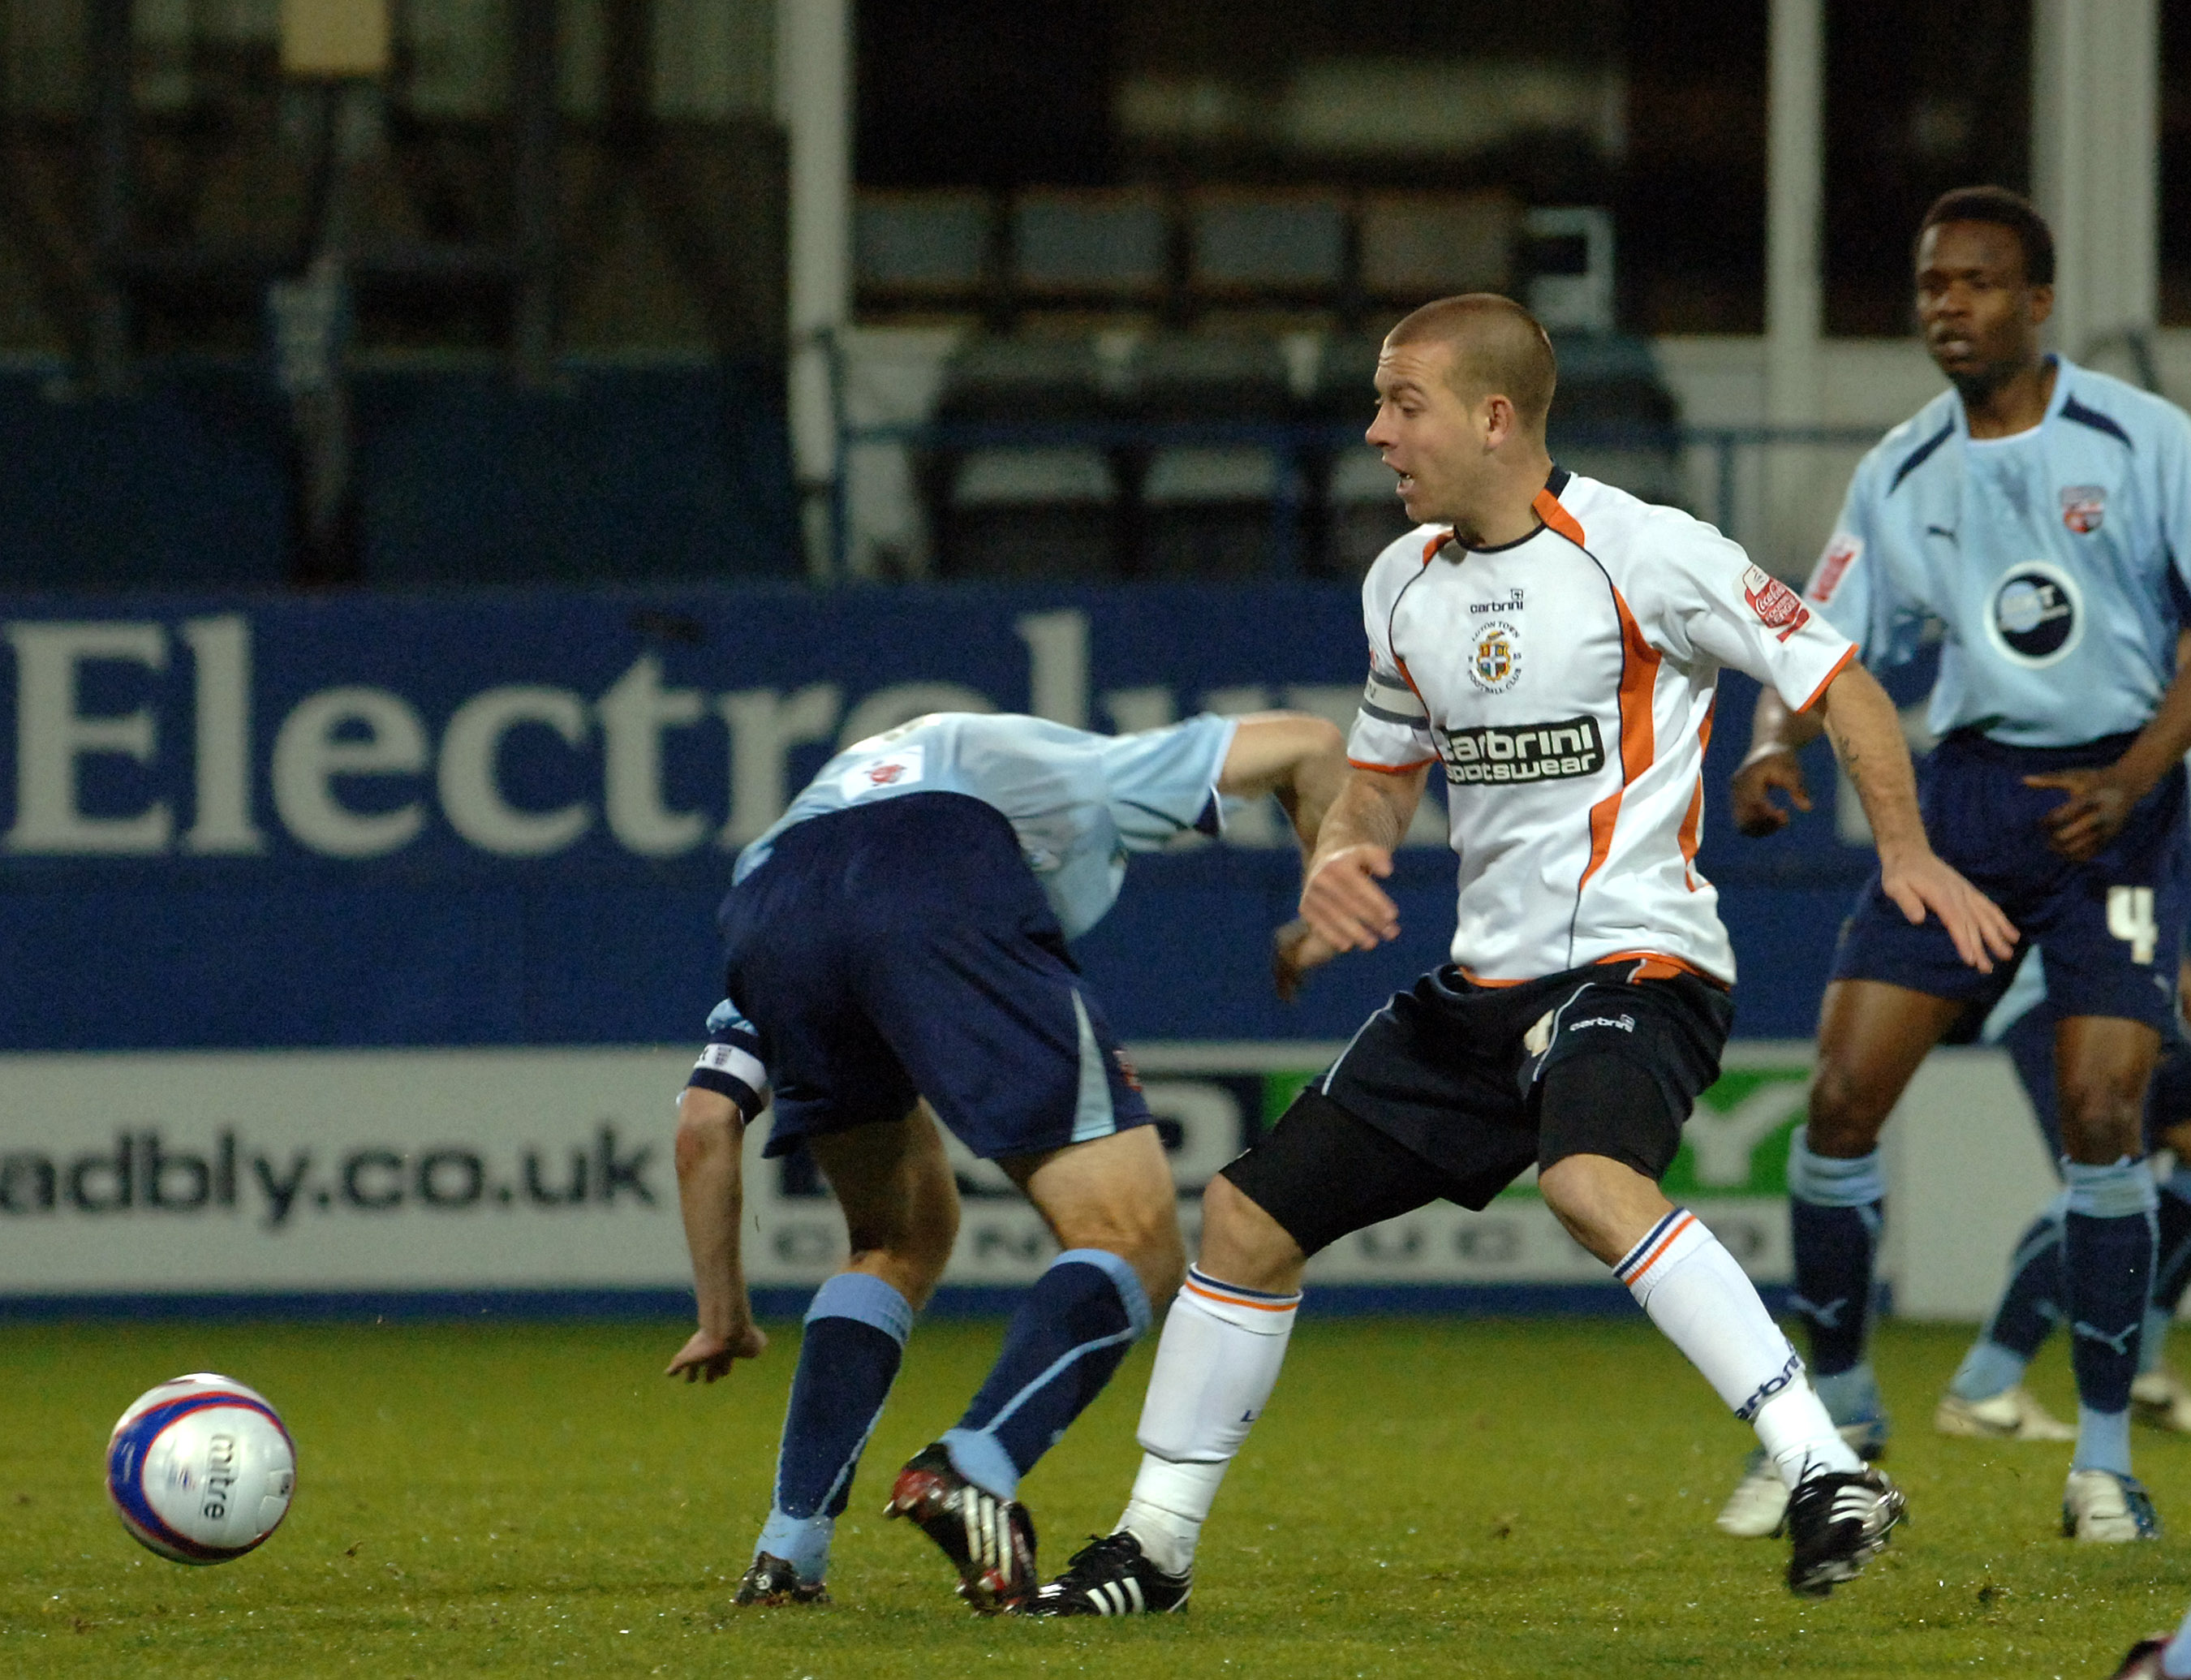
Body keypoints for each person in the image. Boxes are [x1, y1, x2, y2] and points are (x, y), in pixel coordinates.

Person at [1018, 292, 2014, 1617]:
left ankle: (1825, 1468)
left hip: (1638, 960)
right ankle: (1154, 1547)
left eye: (1402, 403)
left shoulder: (1649, 552)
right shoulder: (1401, 584)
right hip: (1483, 988)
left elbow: (1843, 684)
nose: (1376, 433)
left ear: (1494, 418)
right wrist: (1338, 861)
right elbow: (1381, 782)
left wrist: (1905, 851)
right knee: (1247, 1218)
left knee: (1589, 1179)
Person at [1720, 186, 2191, 1545]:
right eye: (1933, 284)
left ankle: (2102, 1463)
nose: (1949, 305)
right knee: (1837, 1100)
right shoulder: (1902, 468)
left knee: (2105, 1116)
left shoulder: (2143, 440)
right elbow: (1816, 636)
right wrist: (1772, 742)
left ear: (2037, 302)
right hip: (1970, 805)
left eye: (1978, 283)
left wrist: (2135, 780)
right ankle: (1839, 1425)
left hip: (2118, 804)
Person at [663, 705, 1347, 1612]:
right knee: (1132, 1241)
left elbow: (705, 1124)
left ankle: (789, 1551)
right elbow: (1312, 744)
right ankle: (974, 1464)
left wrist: (722, 1318)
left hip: (768, 918)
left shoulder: (799, 846)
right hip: (941, 871)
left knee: (894, 1242)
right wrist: (1323, 896)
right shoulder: (1075, 769)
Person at [1932, 950, 2191, 1441]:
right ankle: (1983, 1388)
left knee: (2127, 1175)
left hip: (2138, 988)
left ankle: (2139, 1370)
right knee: (2104, 1178)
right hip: (2065, 985)